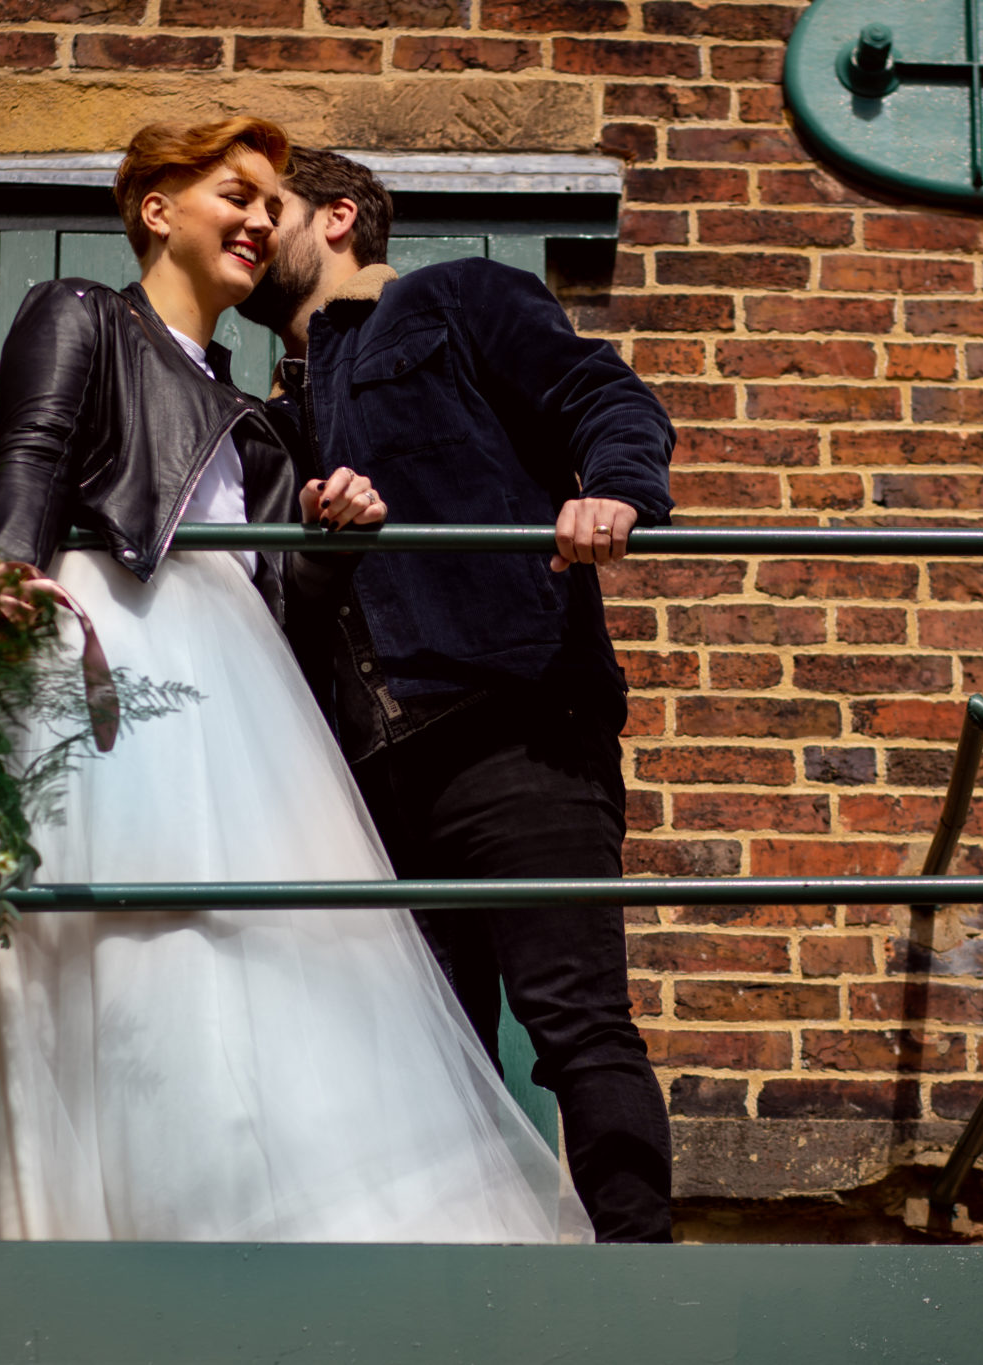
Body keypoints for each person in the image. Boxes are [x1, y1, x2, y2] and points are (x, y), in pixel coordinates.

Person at [0, 117, 589, 1243]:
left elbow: (286, 600)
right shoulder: (82, 316)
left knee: (285, 963)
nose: (257, 220)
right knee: (138, 964)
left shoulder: (258, 418)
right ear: (154, 211)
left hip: (245, 702)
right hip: (122, 662)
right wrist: (5, 579)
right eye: (232, 195)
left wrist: (334, 536)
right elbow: (37, 454)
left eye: (269, 203)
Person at [237, 148, 677, 1242]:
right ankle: (472, 1284)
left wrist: (616, 492)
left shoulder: (452, 301)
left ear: (338, 217)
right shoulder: (274, 414)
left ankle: (643, 1287)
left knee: (574, 1019)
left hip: (511, 724)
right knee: (431, 1056)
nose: (246, 234)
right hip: (372, 778)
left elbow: (599, 392)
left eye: (268, 208)